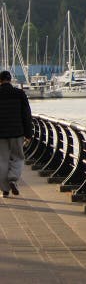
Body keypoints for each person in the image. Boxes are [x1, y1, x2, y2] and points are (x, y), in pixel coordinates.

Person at [0, 70, 32, 198]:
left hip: (0, 134)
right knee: (18, 157)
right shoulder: (20, 94)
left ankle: (5, 189)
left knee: (2, 160)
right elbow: (26, 115)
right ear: (10, 79)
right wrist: (28, 133)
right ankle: (13, 179)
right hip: (17, 132)